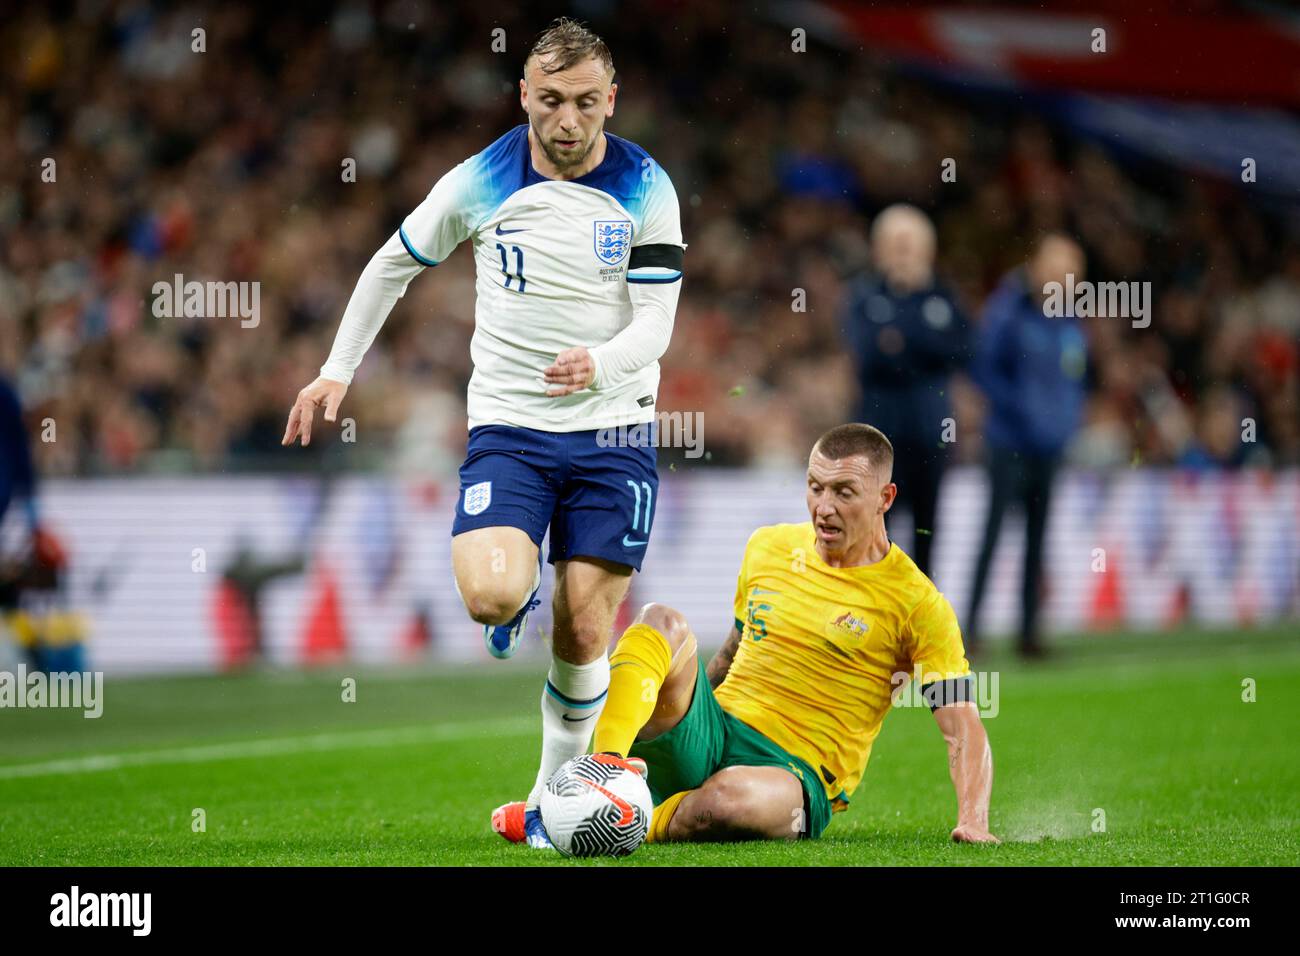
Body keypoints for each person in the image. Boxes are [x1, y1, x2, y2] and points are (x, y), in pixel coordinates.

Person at [281, 19, 685, 848]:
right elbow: (392, 262)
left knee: (582, 630)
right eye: (548, 101)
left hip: (614, 430)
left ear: (610, 99)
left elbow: (656, 325)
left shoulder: (648, 187)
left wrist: (600, 364)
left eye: (583, 103)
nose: (565, 121)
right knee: (494, 595)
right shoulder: (480, 179)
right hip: (512, 427)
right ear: (524, 97)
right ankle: (516, 592)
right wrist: (336, 370)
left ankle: (548, 802)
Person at [572, 424, 997, 845]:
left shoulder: (917, 603)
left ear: (885, 498)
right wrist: (678, 702)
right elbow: (733, 652)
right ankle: (602, 769)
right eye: (815, 488)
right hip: (716, 729)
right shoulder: (769, 546)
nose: (823, 507)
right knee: (660, 619)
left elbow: (961, 725)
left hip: (793, 774)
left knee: (727, 802)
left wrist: (974, 819)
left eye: (843, 492)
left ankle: (610, 821)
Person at [966, 234, 1088, 658]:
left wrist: (1065, 422)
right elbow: (983, 369)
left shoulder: (1067, 319)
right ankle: (971, 630)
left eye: (1073, 271)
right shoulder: (1006, 310)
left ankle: (1029, 633)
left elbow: (1074, 378)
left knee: (1038, 540)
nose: (1067, 278)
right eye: (1060, 268)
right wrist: (1024, 411)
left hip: (1050, 447)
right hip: (1009, 444)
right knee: (994, 535)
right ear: (1036, 266)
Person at [840, 205, 969, 578]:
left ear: (927, 249)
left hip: (931, 434)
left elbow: (961, 349)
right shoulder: (863, 297)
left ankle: (923, 621)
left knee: (927, 529)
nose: (903, 253)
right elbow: (868, 354)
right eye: (896, 244)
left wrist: (900, 340)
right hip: (878, 440)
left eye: (910, 245)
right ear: (878, 249)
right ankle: (880, 621)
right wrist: (924, 347)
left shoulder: (944, 297)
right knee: (876, 533)